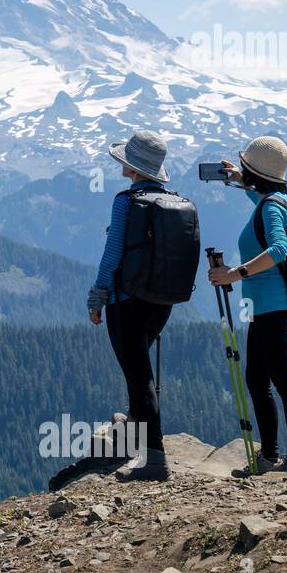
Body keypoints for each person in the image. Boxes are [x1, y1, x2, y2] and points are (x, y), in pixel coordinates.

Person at [206, 136, 287, 474]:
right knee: (257, 380)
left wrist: (235, 274)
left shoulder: (271, 207)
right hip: (262, 307)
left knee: (283, 381)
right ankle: (272, 457)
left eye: (246, 167)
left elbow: (279, 248)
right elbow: (264, 199)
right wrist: (239, 181)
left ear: (255, 171)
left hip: (271, 306)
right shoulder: (273, 199)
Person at [87, 130, 173, 482]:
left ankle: (154, 460)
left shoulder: (126, 202)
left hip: (126, 303)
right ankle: (134, 425)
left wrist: (97, 295)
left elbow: (112, 254)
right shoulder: (169, 202)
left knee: (140, 378)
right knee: (139, 370)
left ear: (132, 166)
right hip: (160, 302)